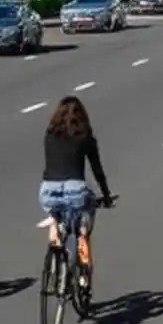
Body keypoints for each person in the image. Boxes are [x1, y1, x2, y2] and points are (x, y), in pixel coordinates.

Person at [39, 97, 114, 269]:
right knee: (87, 212)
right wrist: (106, 195)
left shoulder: (50, 134)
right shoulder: (85, 136)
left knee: (56, 212)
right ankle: (82, 242)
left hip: (48, 191)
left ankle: (55, 227)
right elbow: (97, 169)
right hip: (76, 191)